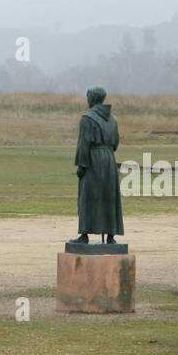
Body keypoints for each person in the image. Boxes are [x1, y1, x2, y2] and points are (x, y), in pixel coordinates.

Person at [69, 86, 124, 244]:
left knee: (88, 197)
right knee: (109, 196)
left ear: (92, 98)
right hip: (109, 159)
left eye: (88, 97)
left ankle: (84, 235)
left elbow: (84, 144)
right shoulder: (113, 119)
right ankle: (110, 236)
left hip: (93, 160)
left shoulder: (87, 118)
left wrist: (81, 166)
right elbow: (115, 142)